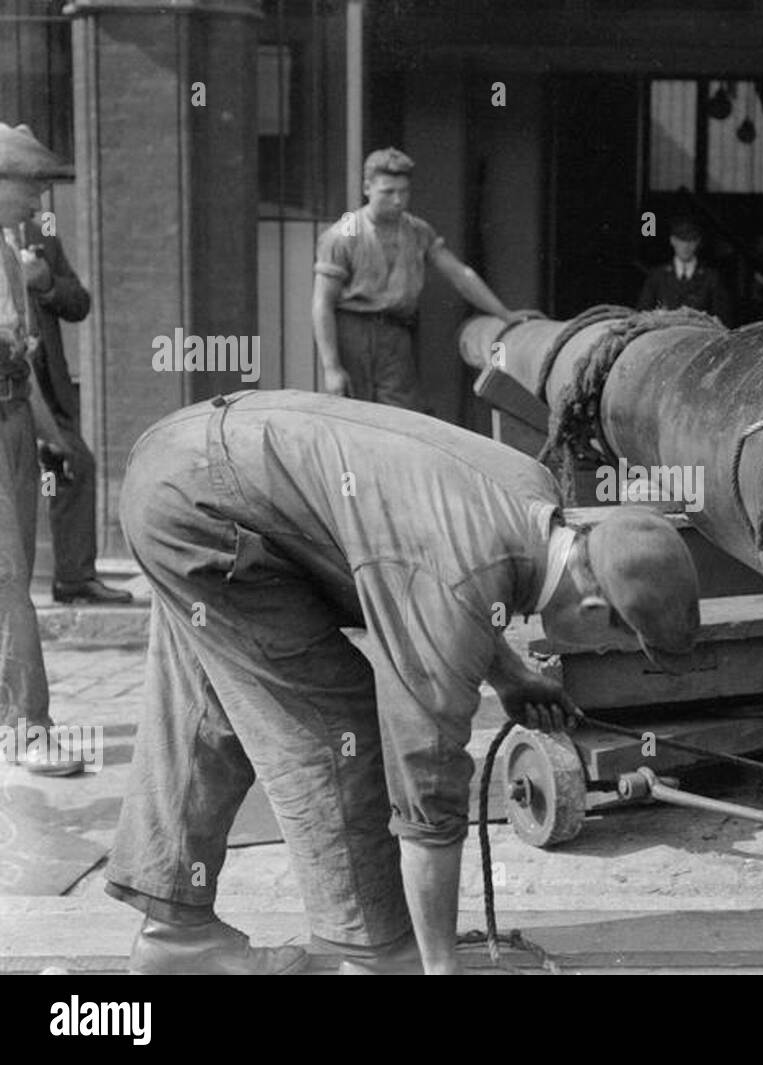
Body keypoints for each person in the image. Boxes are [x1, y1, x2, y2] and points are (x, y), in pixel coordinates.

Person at [105, 390, 701, 974]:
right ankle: (376, 954)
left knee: (211, 693)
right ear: (595, 611)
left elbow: (448, 579)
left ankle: (175, 933)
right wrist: (437, 964)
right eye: (616, 640)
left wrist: (510, 674)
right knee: (340, 724)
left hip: (185, 465)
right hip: (204, 510)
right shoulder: (462, 581)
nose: (599, 647)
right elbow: (427, 789)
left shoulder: (530, 491)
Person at [312, 147, 528, 411]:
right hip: (352, 333)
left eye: (404, 192)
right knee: (353, 416)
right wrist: (331, 366)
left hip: (395, 334)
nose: (397, 200)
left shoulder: (417, 231)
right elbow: (322, 303)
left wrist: (505, 314)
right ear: (367, 188)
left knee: (401, 416)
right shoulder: (343, 235)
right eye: (388, 192)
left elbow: (460, 275)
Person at [0, 122, 84, 776]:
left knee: (14, 574)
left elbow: (21, 366)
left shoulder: (9, 256)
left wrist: (53, 439)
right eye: (29, 185)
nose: (38, 201)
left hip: (13, 423)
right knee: (6, 581)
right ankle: (29, 725)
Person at [3, 217, 132, 605]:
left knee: (71, 467)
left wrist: (45, 283)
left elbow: (79, 303)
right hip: (10, 384)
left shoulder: (41, 233)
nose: (36, 202)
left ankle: (73, 577)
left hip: (46, 385)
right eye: (31, 187)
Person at [637, 217, 732, 324]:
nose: (686, 246)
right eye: (682, 241)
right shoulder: (657, 276)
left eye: (691, 241)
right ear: (673, 241)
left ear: (697, 242)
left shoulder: (711, 277)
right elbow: (643, 313)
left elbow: (722, 319)